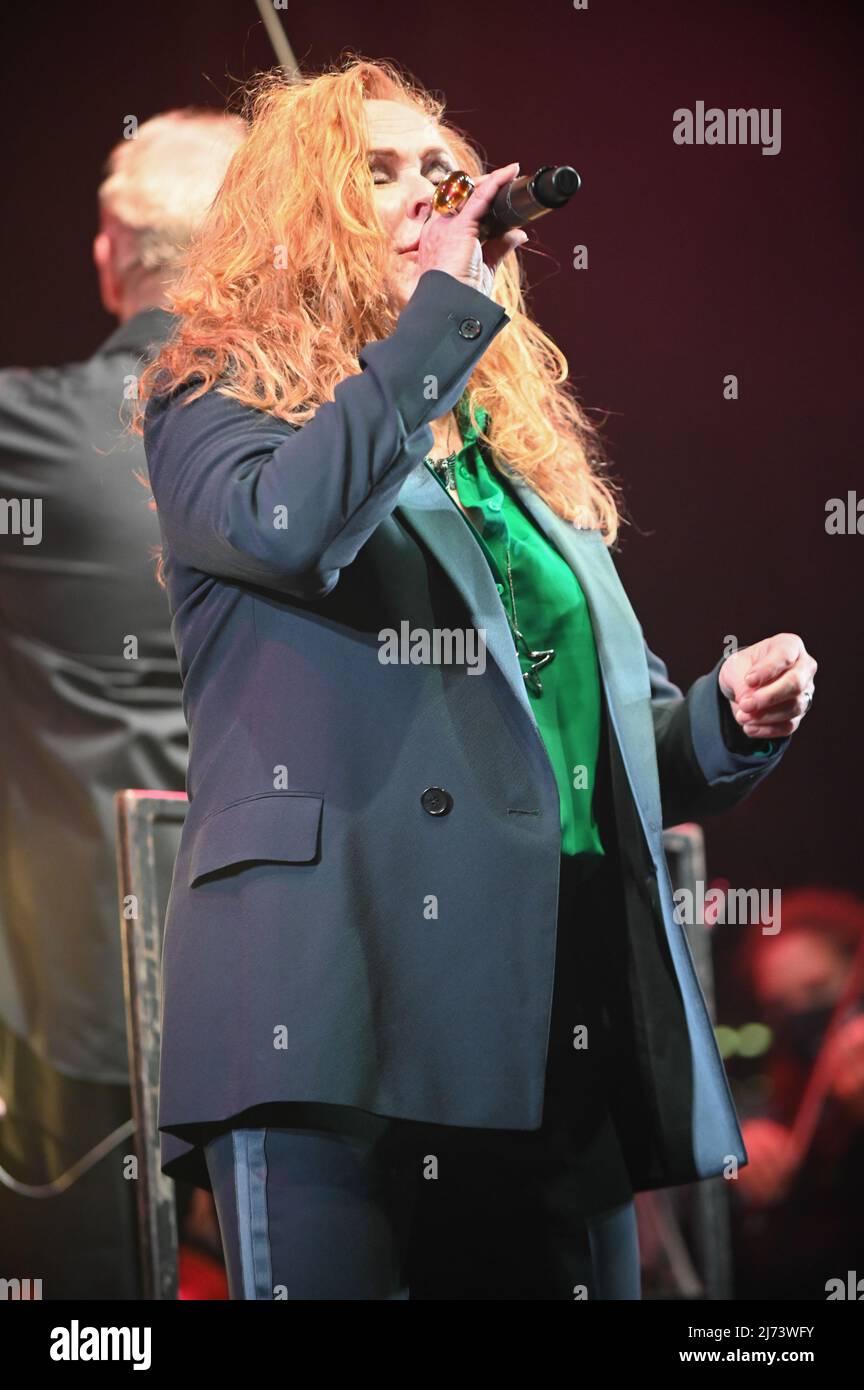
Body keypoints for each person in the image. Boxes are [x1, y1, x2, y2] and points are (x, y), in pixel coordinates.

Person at [137, 58, 817, 1301]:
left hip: (550, 1007)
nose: (423, 196)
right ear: (302, 211)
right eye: (379, 172)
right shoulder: (214, 400)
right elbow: (297, 527)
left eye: (440, 175)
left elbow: (591, 751)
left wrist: (721, 718)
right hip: (338, 1002)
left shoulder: (513, 459)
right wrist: (438, 321)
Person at [0, 107, 245, 1298]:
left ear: (113, 245)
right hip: (307, 993)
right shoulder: (341, 439)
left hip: (85, 1011)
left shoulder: (28, 434)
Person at [731, 888, 864, 1299]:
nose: (803, 1016)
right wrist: (740, 1147)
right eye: (782, 1007)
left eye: (818, 989)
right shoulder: (788, 1085)